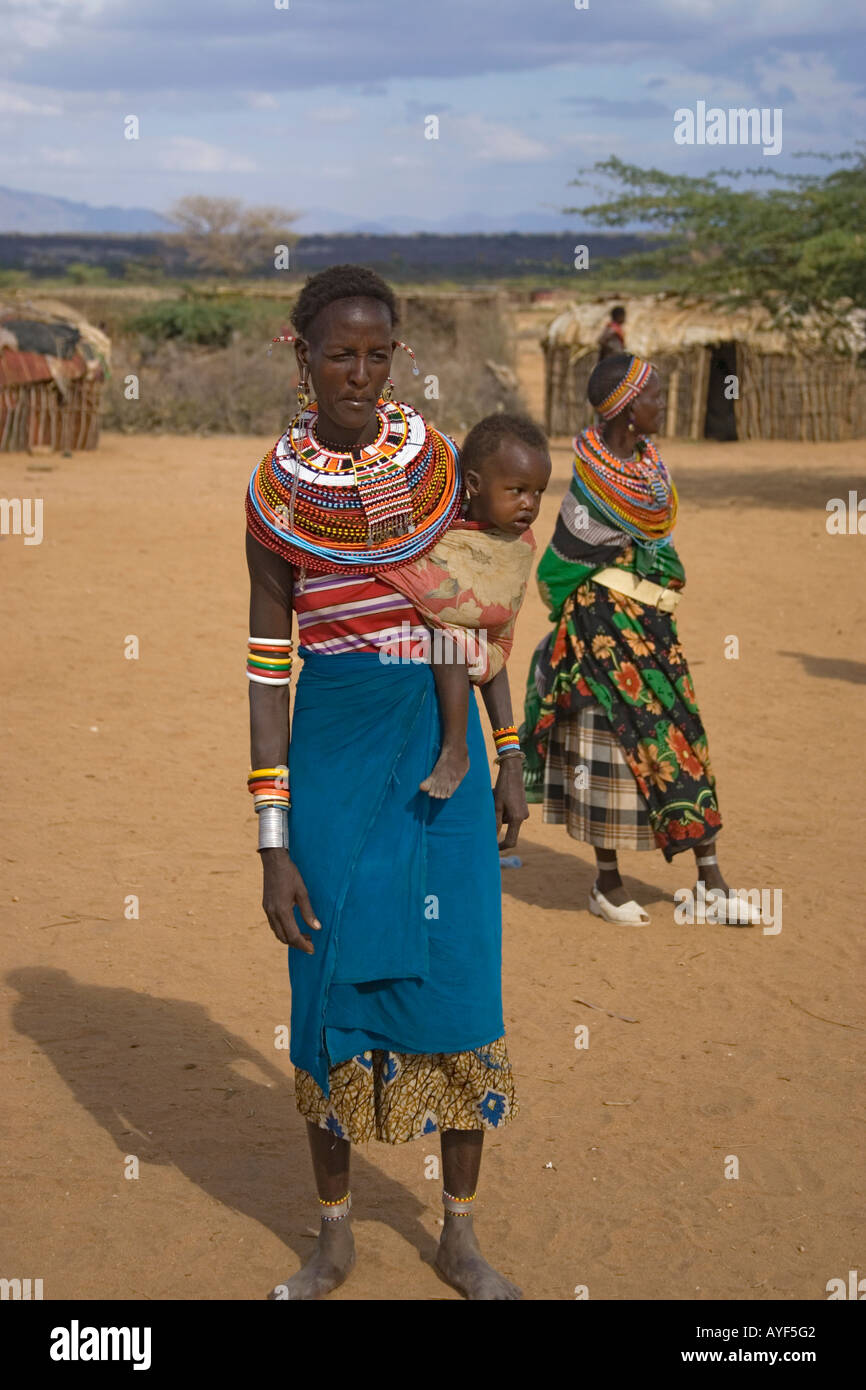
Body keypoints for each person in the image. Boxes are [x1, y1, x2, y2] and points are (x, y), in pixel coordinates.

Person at [245, 264, 529, 1301]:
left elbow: (477, 607)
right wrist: (273, 838)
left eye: (377, 352)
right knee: (320, 985)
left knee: (458, 980)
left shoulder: (445, 466)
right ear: (300, 353)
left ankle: (457, 1236)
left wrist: (502, 750)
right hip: (330, 748)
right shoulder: (274, 497)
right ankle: (333, 1237)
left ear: (395, 354)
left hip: (437, 746)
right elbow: (267, 664)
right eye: (338, 353)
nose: (358, 373)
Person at [521, 352, 757, 927]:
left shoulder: (648, 468)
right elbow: (559, 568)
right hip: (602, 628)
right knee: (609, 746)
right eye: (652, 395)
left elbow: (656, 546)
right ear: (628, 411)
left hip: (654, 630)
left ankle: (710, 881)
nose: (661, 402)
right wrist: (589, 618)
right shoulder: (594, 486)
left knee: (683, 736)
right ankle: (606, 883)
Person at [379, 413, 551, 798]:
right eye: (518, 490)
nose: (530, 504)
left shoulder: (515, 544)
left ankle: (456, 749)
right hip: (413, 670)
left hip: (488, 653)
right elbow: (414, 557)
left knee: (447, 645)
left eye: (539, 492)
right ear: (473, 484)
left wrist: (510, 753)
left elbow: (492, 614)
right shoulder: (440, 523)